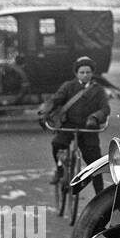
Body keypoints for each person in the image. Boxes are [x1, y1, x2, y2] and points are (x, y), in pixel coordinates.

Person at [39, 56, 112, 186]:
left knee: (95, 163)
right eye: (82, 72)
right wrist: (45, 111)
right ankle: (60, 169)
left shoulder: (98, 90)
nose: (85, 75)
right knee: (57, 144)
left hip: (89, 127)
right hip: (70, 124)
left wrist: (95, 117)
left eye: (88, 72)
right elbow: (56, 100)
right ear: (76, 73)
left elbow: (105, 108)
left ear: (92, 73)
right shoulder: (68, 86)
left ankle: (100, 196)